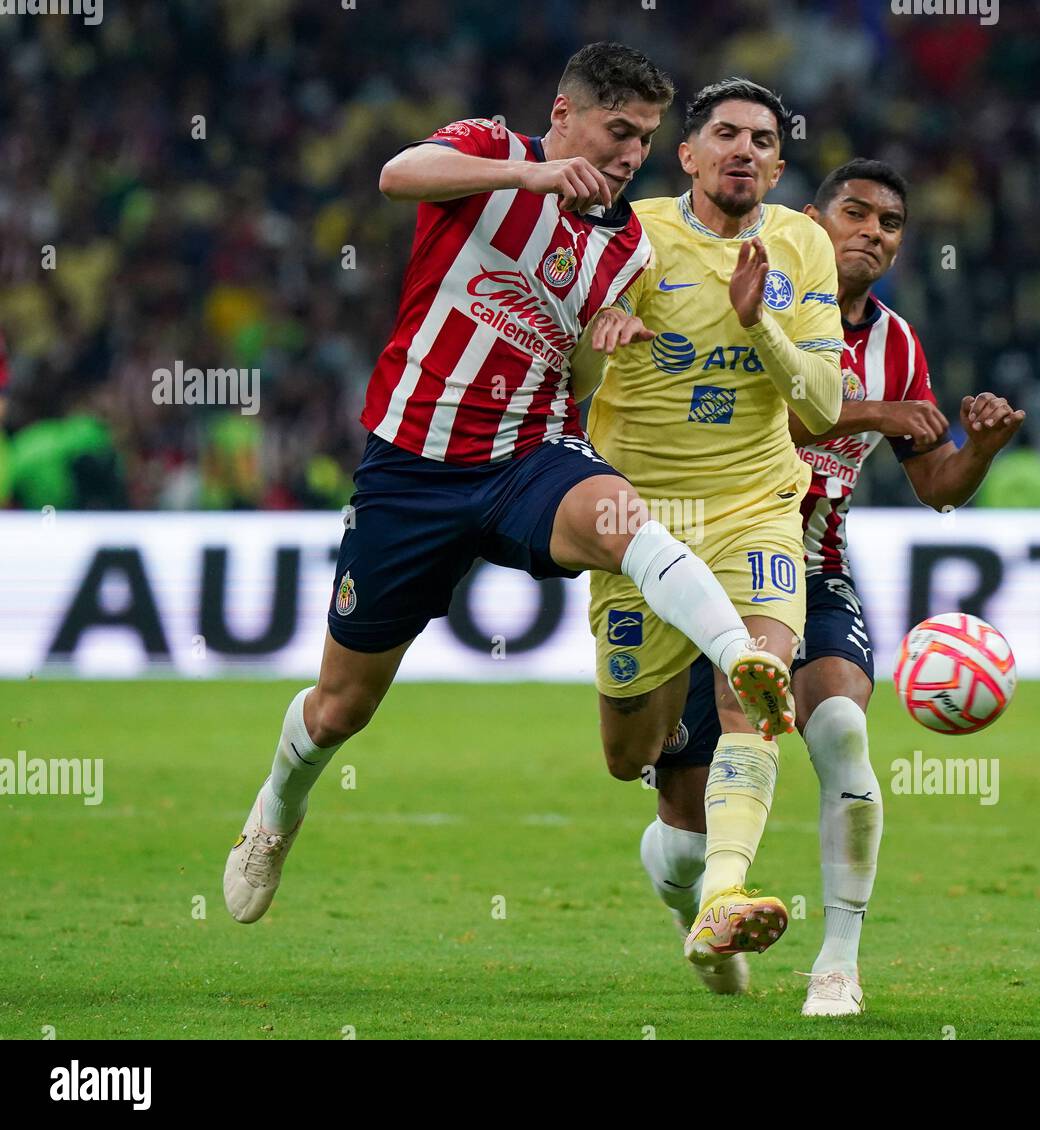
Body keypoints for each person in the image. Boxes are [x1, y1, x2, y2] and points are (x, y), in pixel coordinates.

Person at [224, 43, 793, 925]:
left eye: (643, 139)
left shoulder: (628, 247)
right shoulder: (489, 151)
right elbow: (395, 175)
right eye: (616, 132)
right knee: (339, 708)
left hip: (529, 452)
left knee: (621, 519)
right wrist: (531, 177)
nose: (628, 155)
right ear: (564, 115)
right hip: (413, 466)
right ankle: (276, 809)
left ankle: (741, 659)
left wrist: (600, 357)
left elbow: (574, 386)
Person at [640, 158, 1025, 1011]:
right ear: (810, 220)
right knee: (682, 836)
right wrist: (876, 414)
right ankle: (694, 907)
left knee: (842, 727)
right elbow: (747, 409)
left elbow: (937, 487)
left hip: (812, 572)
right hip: (701, 568)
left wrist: (983, 448)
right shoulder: (745, 299)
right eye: (856, 213)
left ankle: (838, 963)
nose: (873, 234)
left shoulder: (898, 343)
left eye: (890, 224)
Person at [575, 79, 844, 971]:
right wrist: (591, 339)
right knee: (630, 754)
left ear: (778, 162)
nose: (744, 150)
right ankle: (687, 881)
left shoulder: (801, 244)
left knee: (753, 693)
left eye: (762, 139)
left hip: (754, 509)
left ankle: (726, 892)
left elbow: (825, 400)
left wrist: (757, 322)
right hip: (636, 523)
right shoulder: (631, 234)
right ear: (685, 156)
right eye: (724, 134)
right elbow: (565, 380)